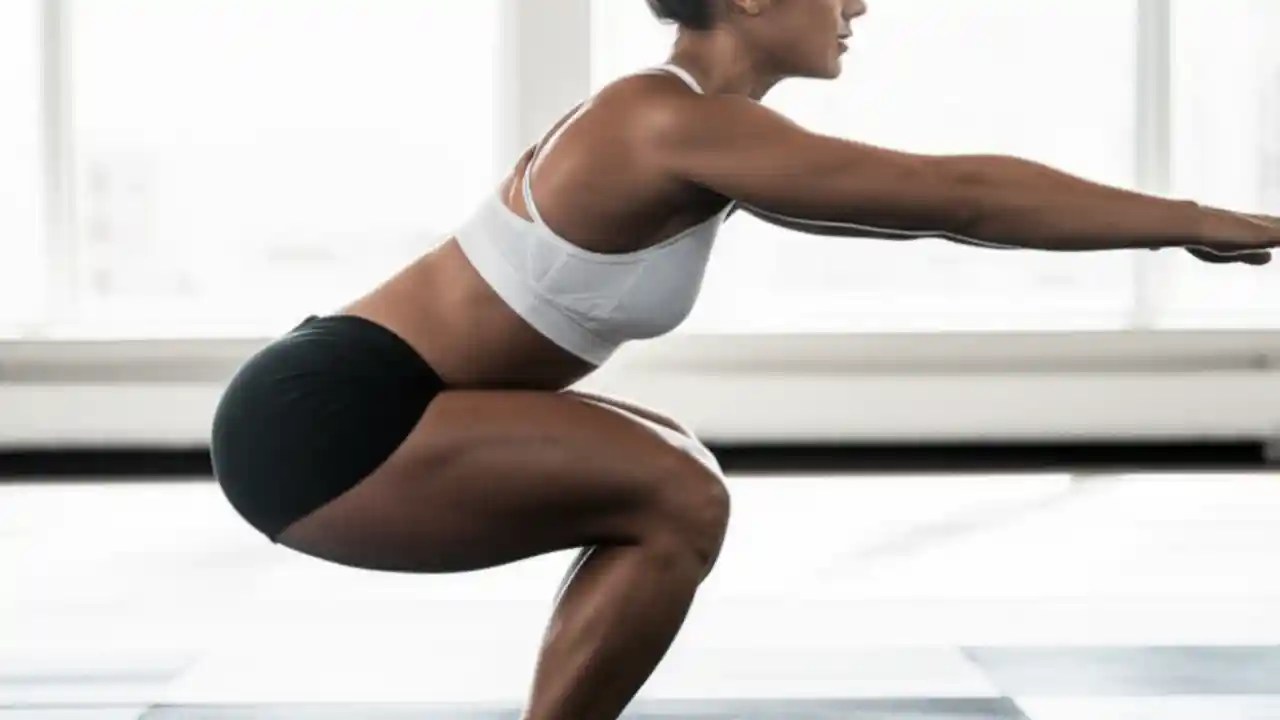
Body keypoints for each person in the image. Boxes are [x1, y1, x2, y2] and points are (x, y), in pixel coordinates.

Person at [209, 0, 1280, 717]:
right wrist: (1196, 217)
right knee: (672, 490)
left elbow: (943, 215)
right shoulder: (662, 122)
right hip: (329, 419)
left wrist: (1166, 223)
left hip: (339, 401)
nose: (859, 3)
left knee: (668, 457)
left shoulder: (706, 138)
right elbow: (964, 194)